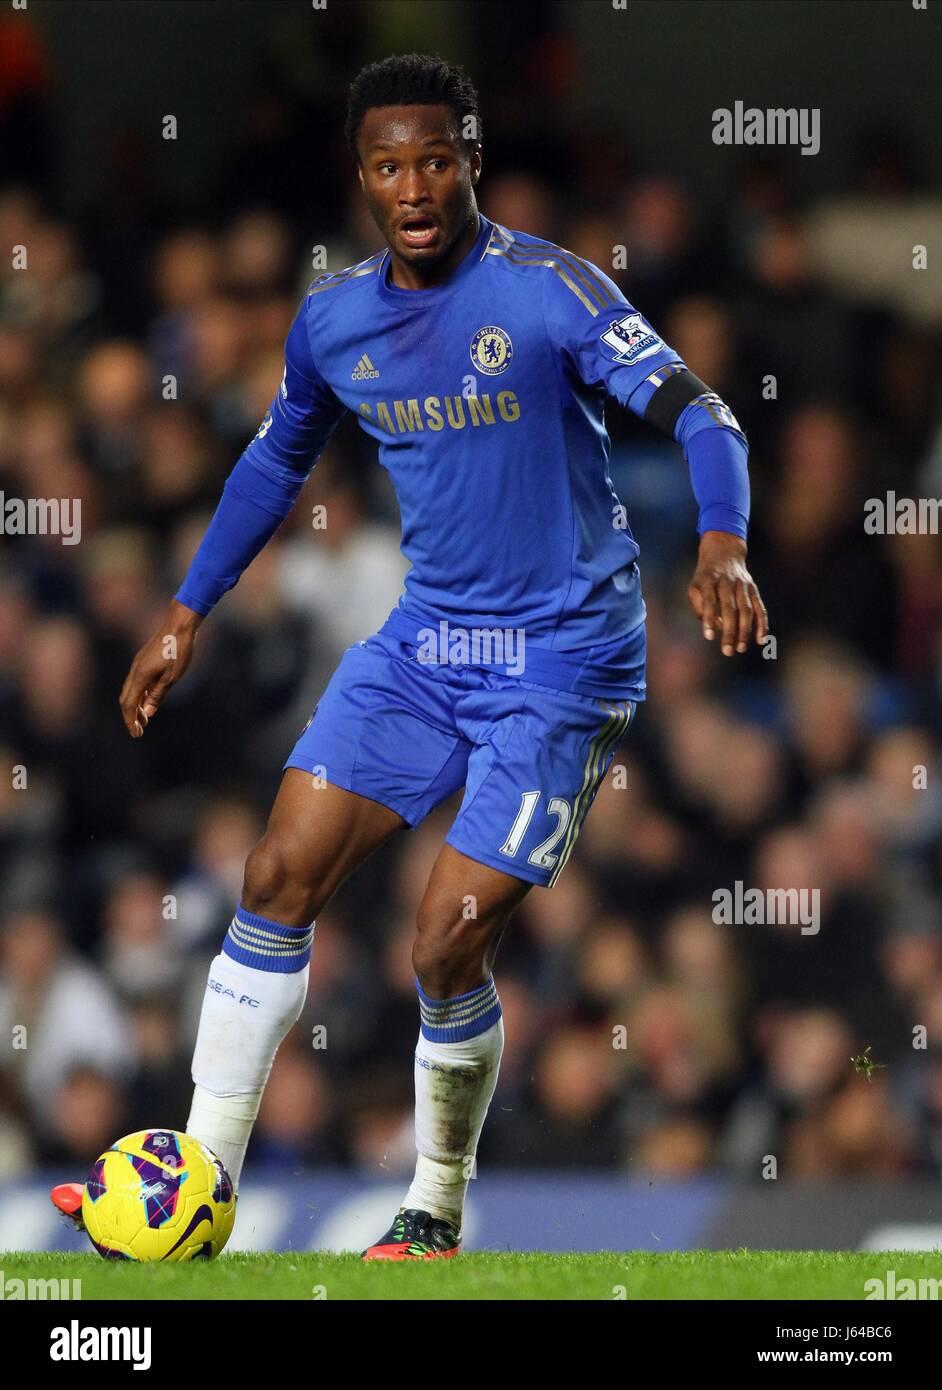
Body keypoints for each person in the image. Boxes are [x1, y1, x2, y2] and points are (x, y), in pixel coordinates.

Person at [53, 52, 766, 1259]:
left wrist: (724, 544)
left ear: (472, 160)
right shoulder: (335, 317)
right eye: (389, 165)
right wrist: (186, 607)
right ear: (363, 178)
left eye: (437, 158)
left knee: (443, 938)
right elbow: (276, 461)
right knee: (276, 871)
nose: (416, 185)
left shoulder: (552, 292)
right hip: (426, 644)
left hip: (561, 659)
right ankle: (200, 1176)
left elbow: (705, 412)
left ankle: (433, 1206)